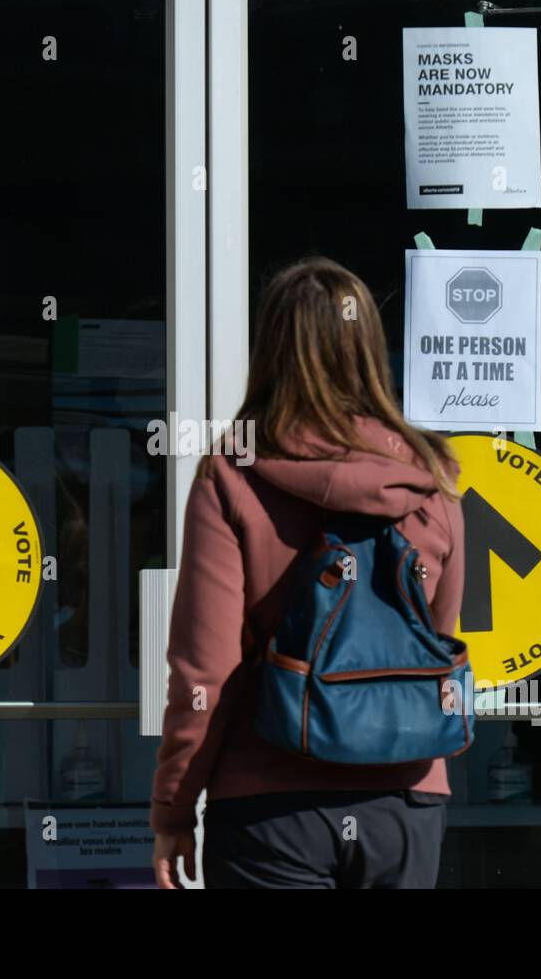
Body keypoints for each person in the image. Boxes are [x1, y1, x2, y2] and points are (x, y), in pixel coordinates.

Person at [150, 256, 467, 890]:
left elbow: (205, 671)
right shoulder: (433, 476)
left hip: (271, 802)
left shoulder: (234, 472)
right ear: (367, 346)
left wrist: (174, 808)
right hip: (405, 797)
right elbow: (442, 634)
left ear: (272, 348)